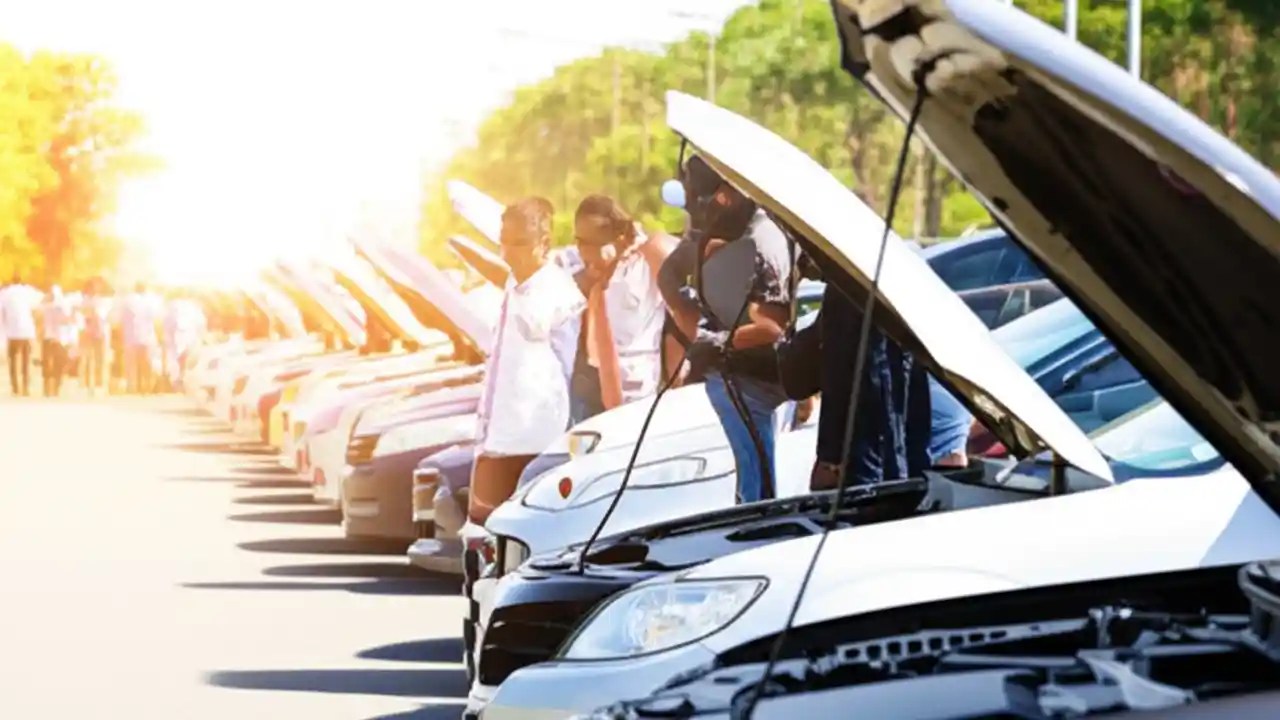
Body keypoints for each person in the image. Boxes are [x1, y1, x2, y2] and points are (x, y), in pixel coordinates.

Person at [677, 155, 796, 504]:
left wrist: (715, 344)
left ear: (726, 195)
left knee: (755, 490)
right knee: (752, 482)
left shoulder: (763, 239)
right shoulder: (743, 235)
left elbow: (772, 326)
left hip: (749, 380)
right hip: (738, 375)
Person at [468, 198, 587, 525]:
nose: (508, 253)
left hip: (535, 439)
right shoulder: (516, 283)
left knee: (523, 533)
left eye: (518, 244)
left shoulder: (557, 291)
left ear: (544, 244)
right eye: (503, 244)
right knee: (483, 535)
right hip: (499, 438)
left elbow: (545, 338)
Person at [569, 194, 679, 422]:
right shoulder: (594, 282)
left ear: (619, 238)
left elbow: (683, 314)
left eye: (590, 242)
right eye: (578, 240)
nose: (582, 251)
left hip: (639, 396)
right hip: (591, 389)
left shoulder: (648, 259)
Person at [0, 274, 41, 396]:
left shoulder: (4, 293)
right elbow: (40, 304)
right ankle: (25, 387)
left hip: (12, 333)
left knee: (13, 361)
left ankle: (15, 387)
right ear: (21, 281)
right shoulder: (28, 291)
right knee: (26, 361)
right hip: (27, 331)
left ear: (11, 281)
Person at [121, 281, 159, 394]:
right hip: (147, 337)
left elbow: (121, 319)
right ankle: (146, 387)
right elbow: (156, 318)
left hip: (131, 337)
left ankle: (132, 388)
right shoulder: (151, 301)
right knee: (146, 364)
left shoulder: (127, 300)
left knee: (132, 365)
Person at [39, 285, 77, 397]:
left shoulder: (46, 307)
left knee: (50, 365)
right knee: (56, 365)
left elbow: (40, 322)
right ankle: (54, 388)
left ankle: (48, 389)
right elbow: (68, 321)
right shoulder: (61, 307)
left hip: (50, 339)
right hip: (57, 340)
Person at [80, 280, 112, 396]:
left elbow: (104, 317)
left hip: (100, 333)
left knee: (100, 360)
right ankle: (88, 385)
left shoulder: (103, 301)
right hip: (89, 333)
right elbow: (85, 316)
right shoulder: (85, 301)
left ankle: (100, 384)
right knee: (88, 359)